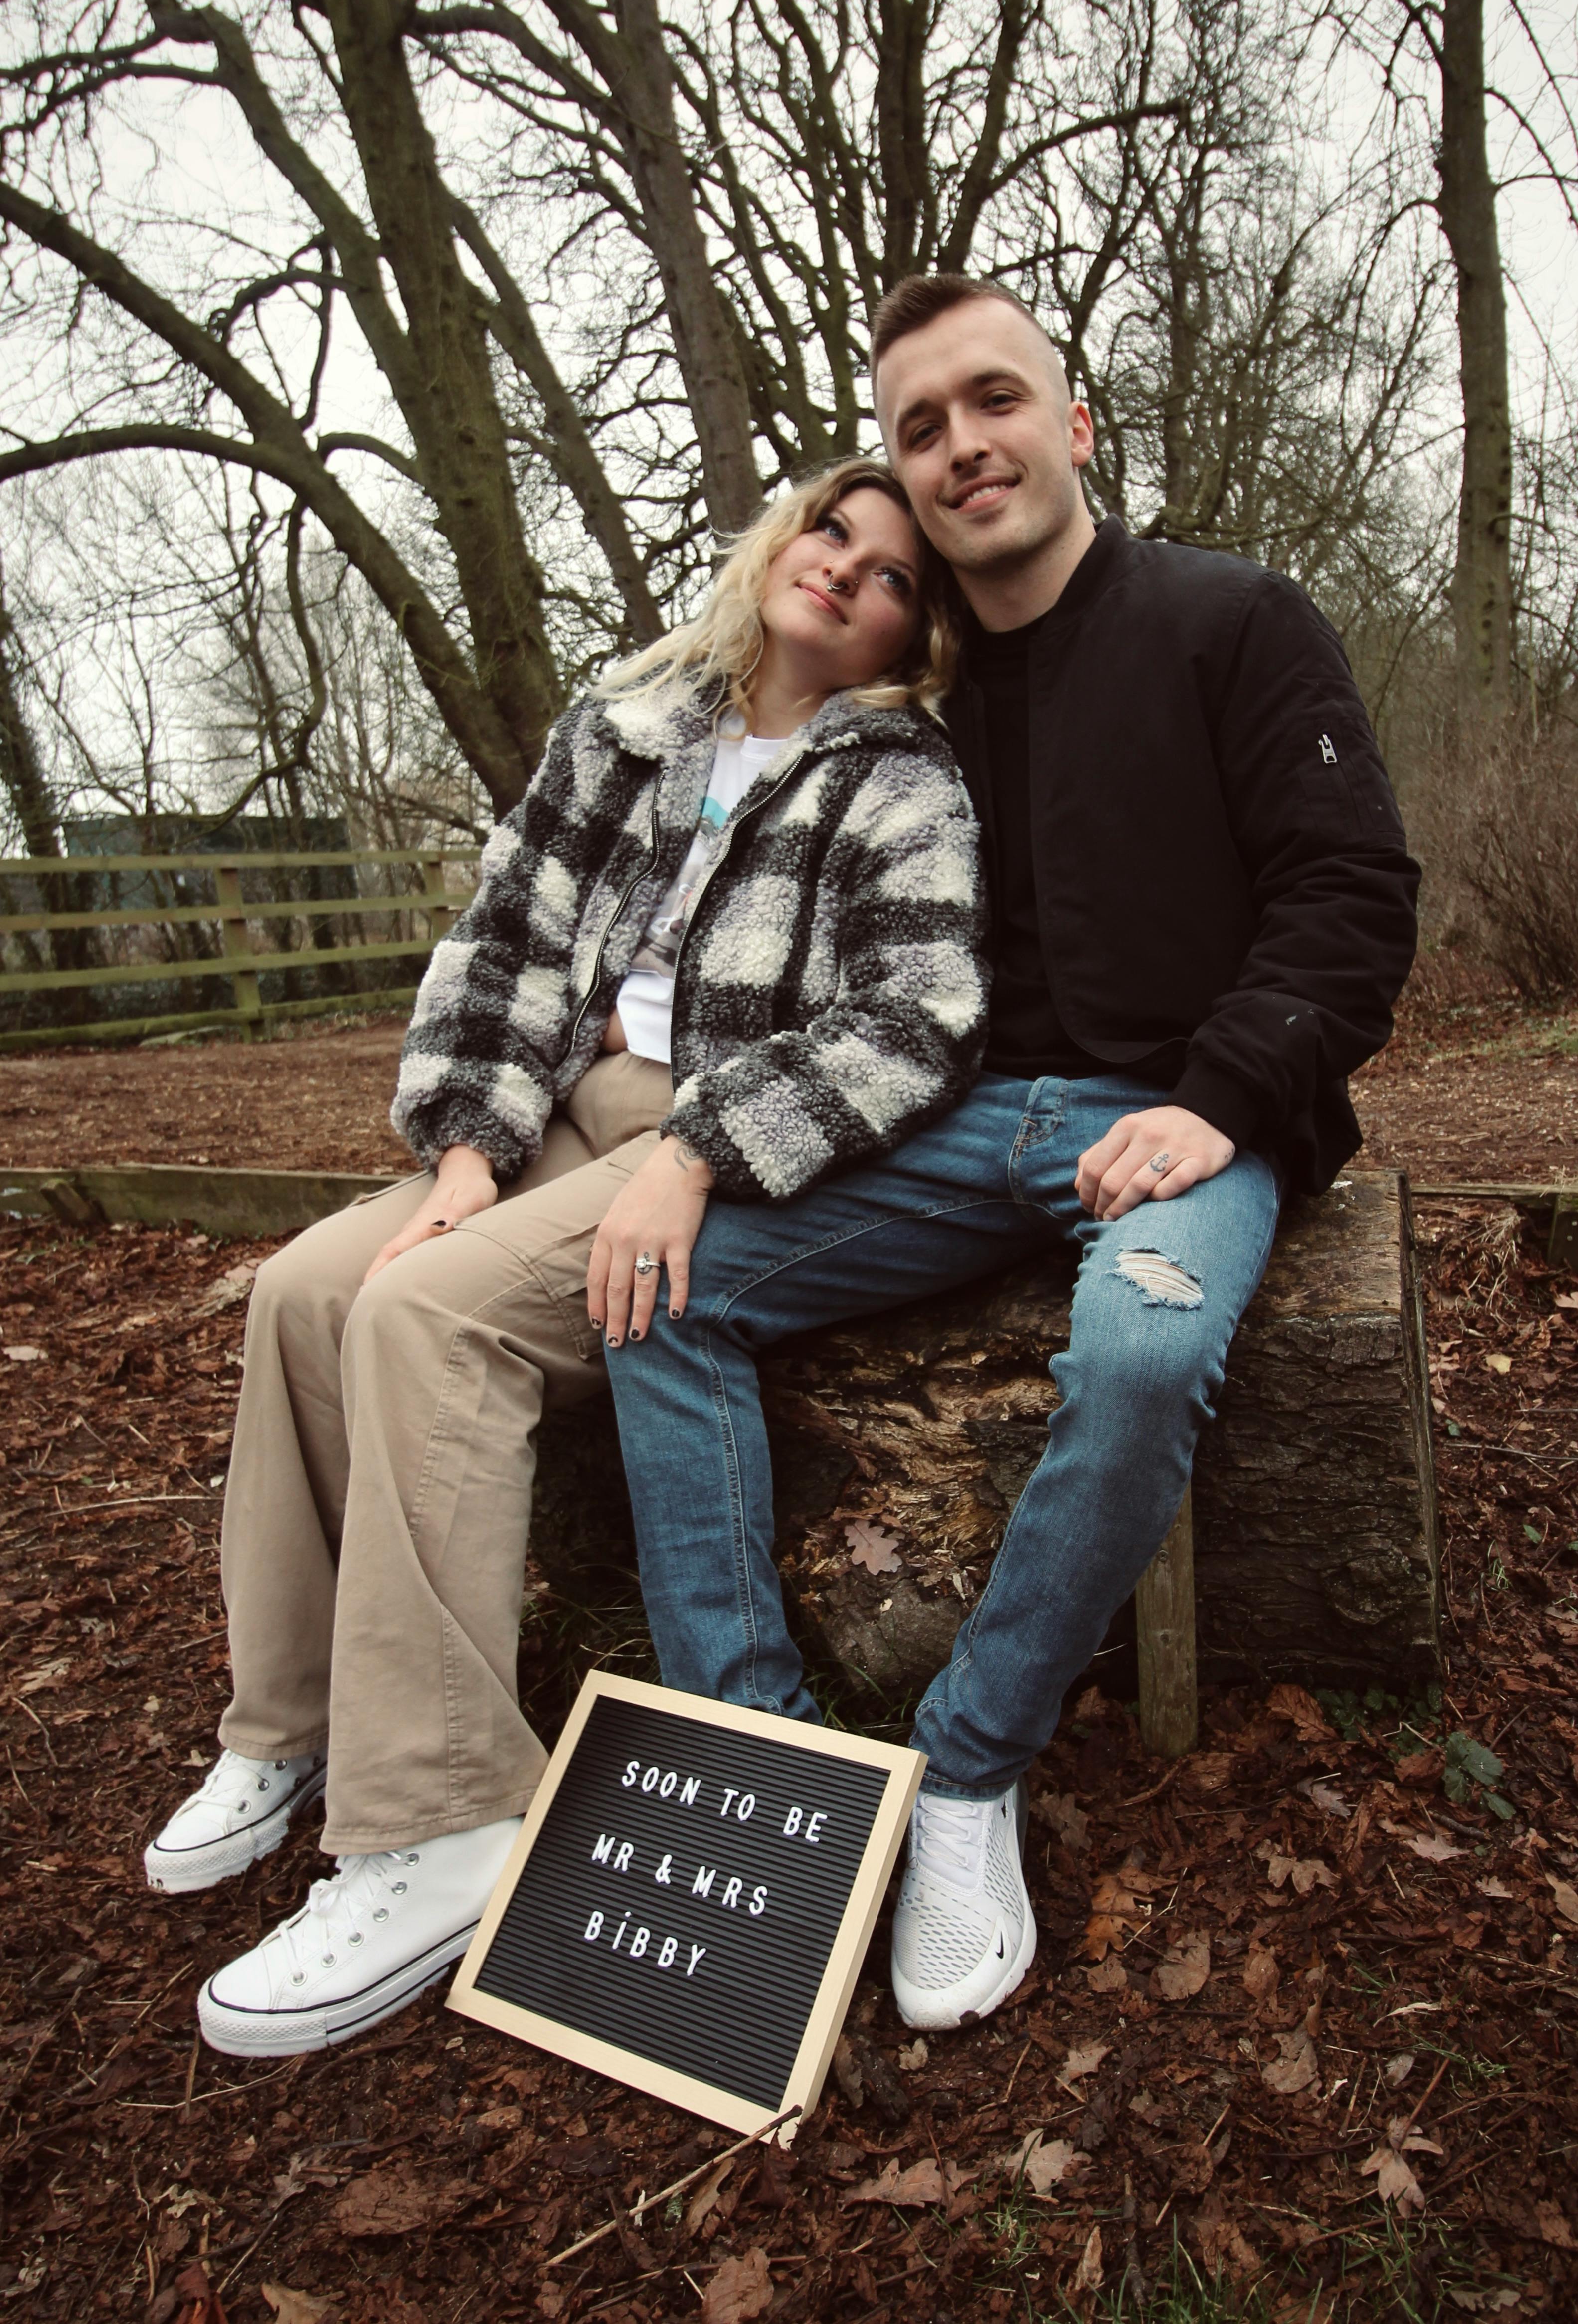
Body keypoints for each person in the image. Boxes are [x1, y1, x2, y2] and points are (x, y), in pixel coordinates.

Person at [605, 274, 1420, 2033]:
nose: (961, 445)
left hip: (1185, 1122)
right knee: (659, 1297)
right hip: (951, 1127)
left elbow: (1355, 897)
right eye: (919, 425)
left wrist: (1220, 1096)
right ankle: (777, 1776)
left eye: (994, 400)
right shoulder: (908, 700)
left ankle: (966, 1771)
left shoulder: (1235, 620)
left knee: (1137, 1356)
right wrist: (671, 1118)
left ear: (1075, 423)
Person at [144, 455, 988, 2056]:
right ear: (780, 537)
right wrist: (465, 1146)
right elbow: (509, 933)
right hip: (553, 1111)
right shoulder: (634, 717)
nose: (847, 570)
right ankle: (293, 1722)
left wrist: (700, 1147)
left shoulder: (901, 780)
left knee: (427, 1317)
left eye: (891, 574)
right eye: (833, 529)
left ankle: (447, 1817)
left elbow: (918, 1018)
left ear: (908, 636)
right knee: (308, 1290)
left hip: (713, 1137)